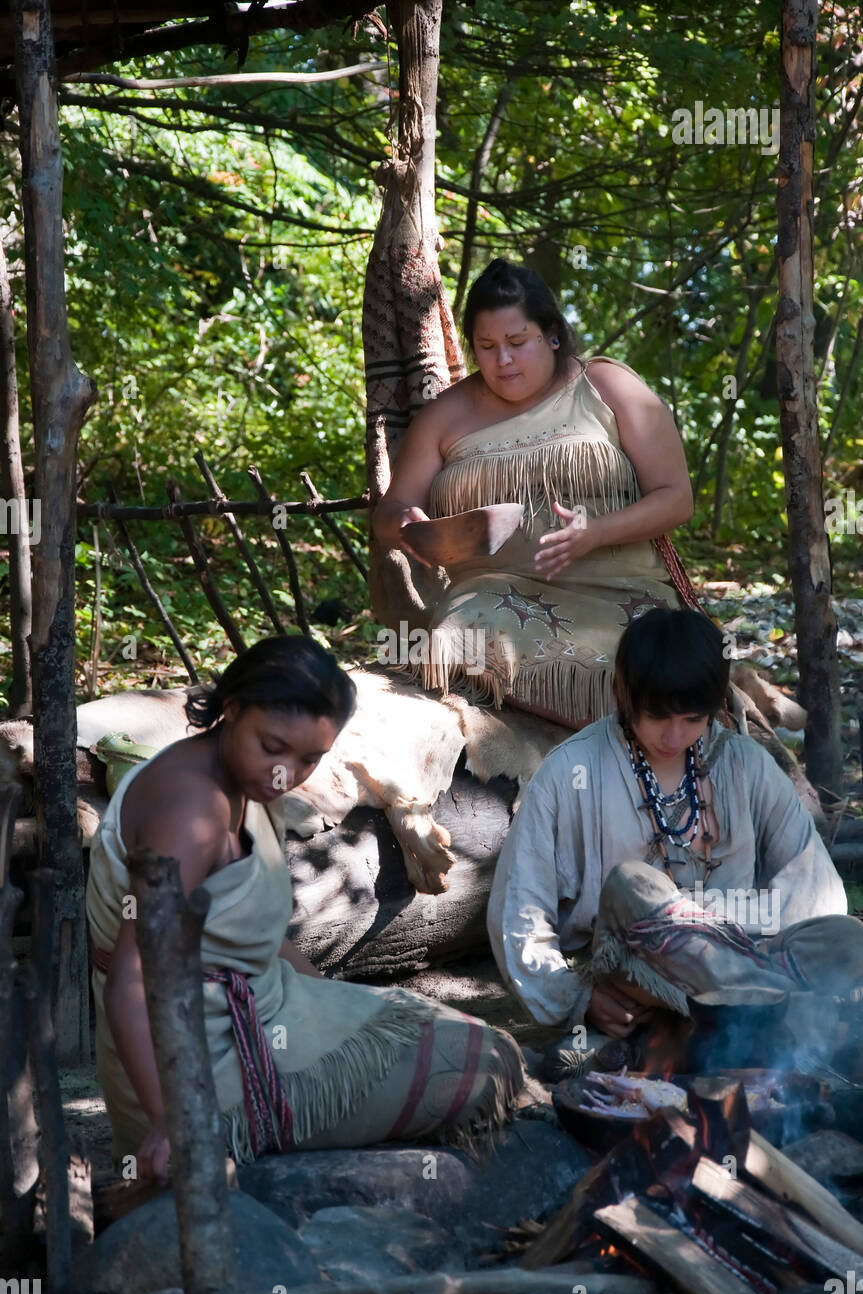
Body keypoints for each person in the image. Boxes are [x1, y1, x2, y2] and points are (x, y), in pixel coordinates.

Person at [87, 636, 523, 1177]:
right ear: (232, 707)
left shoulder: (240, 775)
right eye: (273, 747)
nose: (284, 775)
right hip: (198, 1063)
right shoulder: (189, 813)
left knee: (467, 1035)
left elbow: (259, 938)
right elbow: (133, 980)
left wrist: (335, 1003)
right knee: (487, 1064)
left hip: (260, 1008)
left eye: (308, 759)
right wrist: (170, 1124)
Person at [487, 608, 863, 1075]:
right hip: (641, 979)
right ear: (624, 696)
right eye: (657, 716)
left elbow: (816, 889)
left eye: (692, 718)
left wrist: (734, 930)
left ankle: (728, 1031)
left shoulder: (743, 764)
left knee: (846, 937)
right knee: (632, 885)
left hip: (744, 958)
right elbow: (520, 911)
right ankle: (786, 1030)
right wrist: (580, 998)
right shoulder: (570, 773)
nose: (674, 735)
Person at [373, 258, 695, 729]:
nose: (502, 360)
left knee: (656, 669)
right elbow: (389, 513)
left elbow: (676, 498)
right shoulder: (445, 415)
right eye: (486, 346)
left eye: (517, 342)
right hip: (492, 598)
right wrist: (407, 526)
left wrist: (597, 532)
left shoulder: (606, 386)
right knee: (460, 631)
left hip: (620, 594)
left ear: (553, 335)